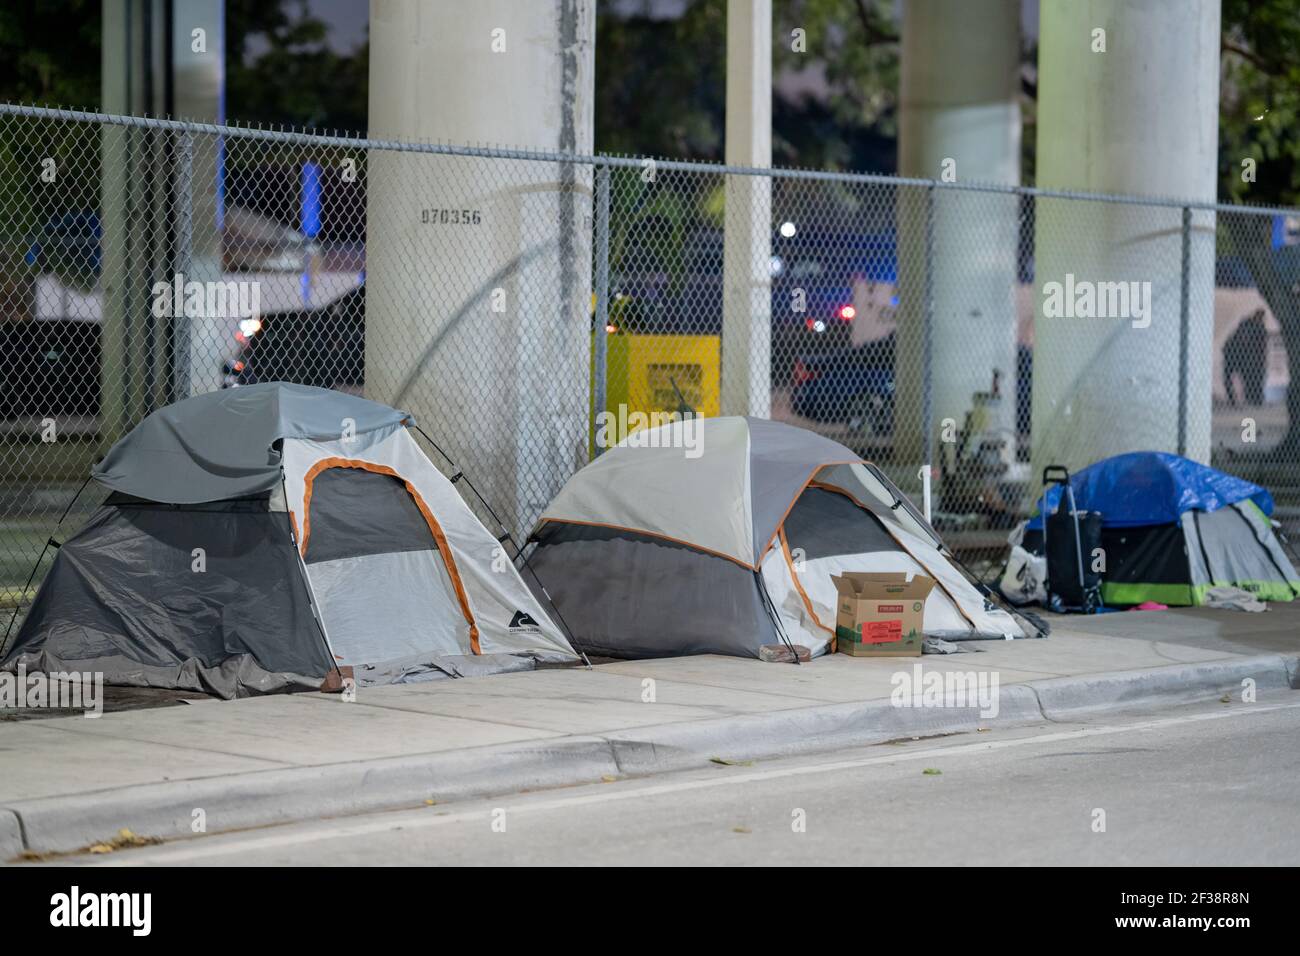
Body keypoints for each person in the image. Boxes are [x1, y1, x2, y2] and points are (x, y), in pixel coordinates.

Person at [1223, 309, 1268, 406]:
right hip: (1237, 355)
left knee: (1248, 377)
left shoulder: (1254, 327)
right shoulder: (1250, 326)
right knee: (1246, 377)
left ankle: (1250, 399)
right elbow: (1258, 346)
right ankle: (1241, 399)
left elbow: (1260, 347)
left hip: (1240, 356)